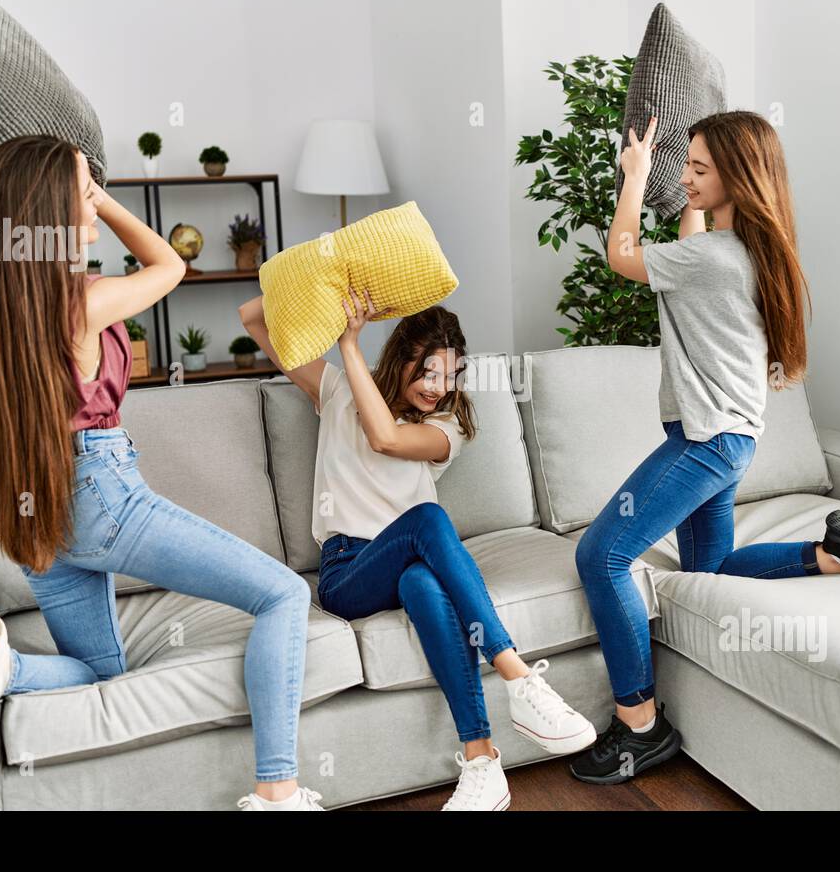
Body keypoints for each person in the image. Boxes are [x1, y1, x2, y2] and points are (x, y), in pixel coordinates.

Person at [0, 135, 324, 811]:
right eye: (84, 192)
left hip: (37, 509)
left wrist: (80, 193)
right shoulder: (84, 301)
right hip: (101, 493)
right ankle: (277, 790)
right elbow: (171, 265)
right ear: (52, 207)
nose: (94, 203)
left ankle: (0, 670)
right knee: (283, 594)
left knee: (99, 673)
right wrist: (109, 204)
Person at [570, 112, 840, 786]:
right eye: (686, 166)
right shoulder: (747, 253)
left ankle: (640, 725)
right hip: (730, 438)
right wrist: (688, 192)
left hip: (706, 442)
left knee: (602, 555)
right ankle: (833, 556)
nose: (686, 178)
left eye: (699, 169)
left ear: (737, 178)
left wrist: (636, 177)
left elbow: (622, 254)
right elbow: (688, 247)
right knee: (709, 570)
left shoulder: (712, 259)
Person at [239, 290, 597, 810]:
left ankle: (482, 763)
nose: (438, 387)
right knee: (428, 519)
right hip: (347, 574)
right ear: (400, 358)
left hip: (410, 564)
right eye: (428, 372)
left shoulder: (445, 427)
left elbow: (387, 438)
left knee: (423, 582)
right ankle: (517, 676)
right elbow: (253, 317)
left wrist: (350, 344)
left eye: (450, 376)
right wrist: (335, 288)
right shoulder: (337, 388)